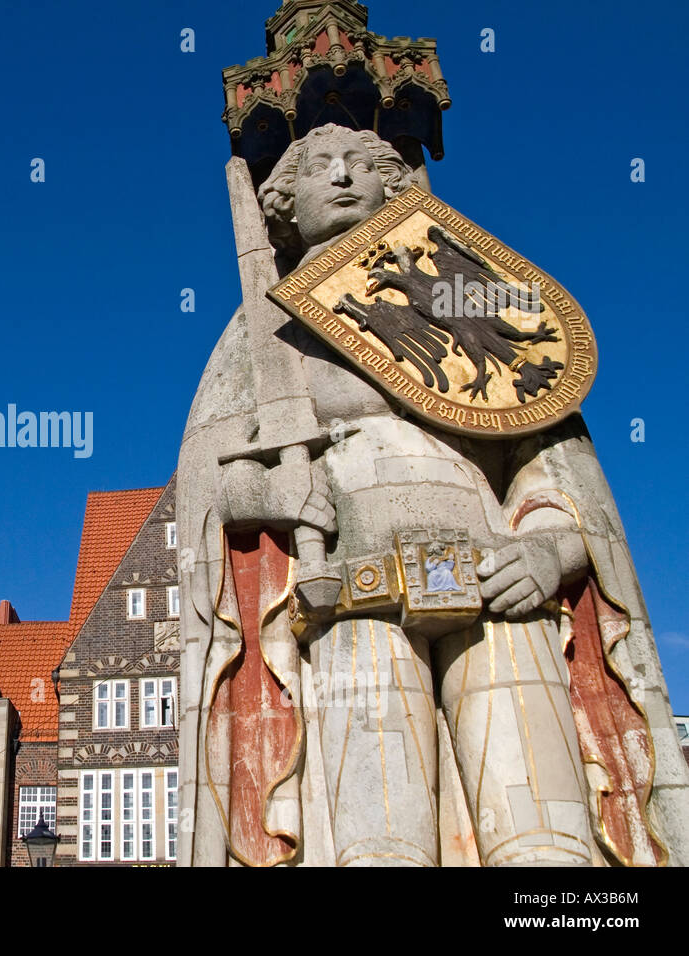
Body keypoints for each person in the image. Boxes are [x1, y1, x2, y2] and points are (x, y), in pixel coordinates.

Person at [176, 123, 689, 867]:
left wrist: (549, 550)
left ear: (395, 182)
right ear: (284, 200)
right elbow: (207, 483)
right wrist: (270, 490)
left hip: (500, 587)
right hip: (354, 593)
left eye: (361, 162)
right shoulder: (263, 332)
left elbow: (554, 466)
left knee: (548, 844)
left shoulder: (467, 299)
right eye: (320, 167)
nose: (344, 177)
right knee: (380, 843)